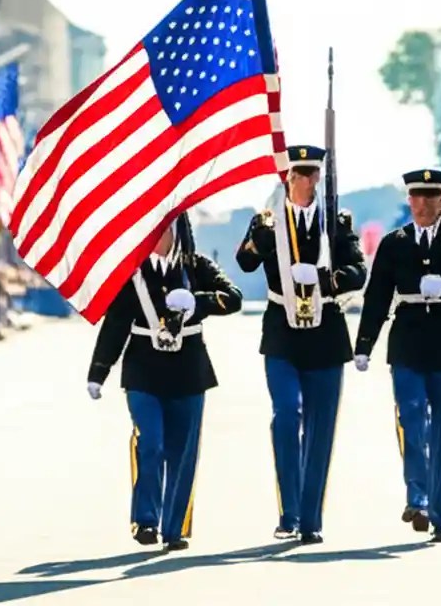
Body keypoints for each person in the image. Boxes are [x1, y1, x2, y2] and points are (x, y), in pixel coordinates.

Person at [352, 168, 441, 543]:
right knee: (411, 416)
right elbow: (377, 296)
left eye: (431, 197)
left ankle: (440, 513)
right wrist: (364, 344)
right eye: (416, 197)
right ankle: (417, 495)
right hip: (409, 340)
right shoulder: (395, 242)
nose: (422, 204)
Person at [235, 144, 367, 545]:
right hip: (282, 334)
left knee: (320, 429)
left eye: (309, 174)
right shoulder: (268, 220)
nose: (302, 180)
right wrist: (258, 239)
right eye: (295, 174)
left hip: (326, 332)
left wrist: (328, 279)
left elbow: (358, 271)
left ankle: (311, 519)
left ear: (318, 179)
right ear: (286, 178)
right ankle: (288, 511)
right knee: (287, 414)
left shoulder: (336, 223)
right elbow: (244, 263)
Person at [87, 214, 242, 551]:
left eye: (163, 227)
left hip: (188, 370)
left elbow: (233, 297)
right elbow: (115, 324)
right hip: (144, 368)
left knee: (182, 452)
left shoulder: (197, 266)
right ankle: (145, 519)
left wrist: (198, 303)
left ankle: (175, 528)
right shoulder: (132, 274)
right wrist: (99, 371)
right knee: (151, 441)